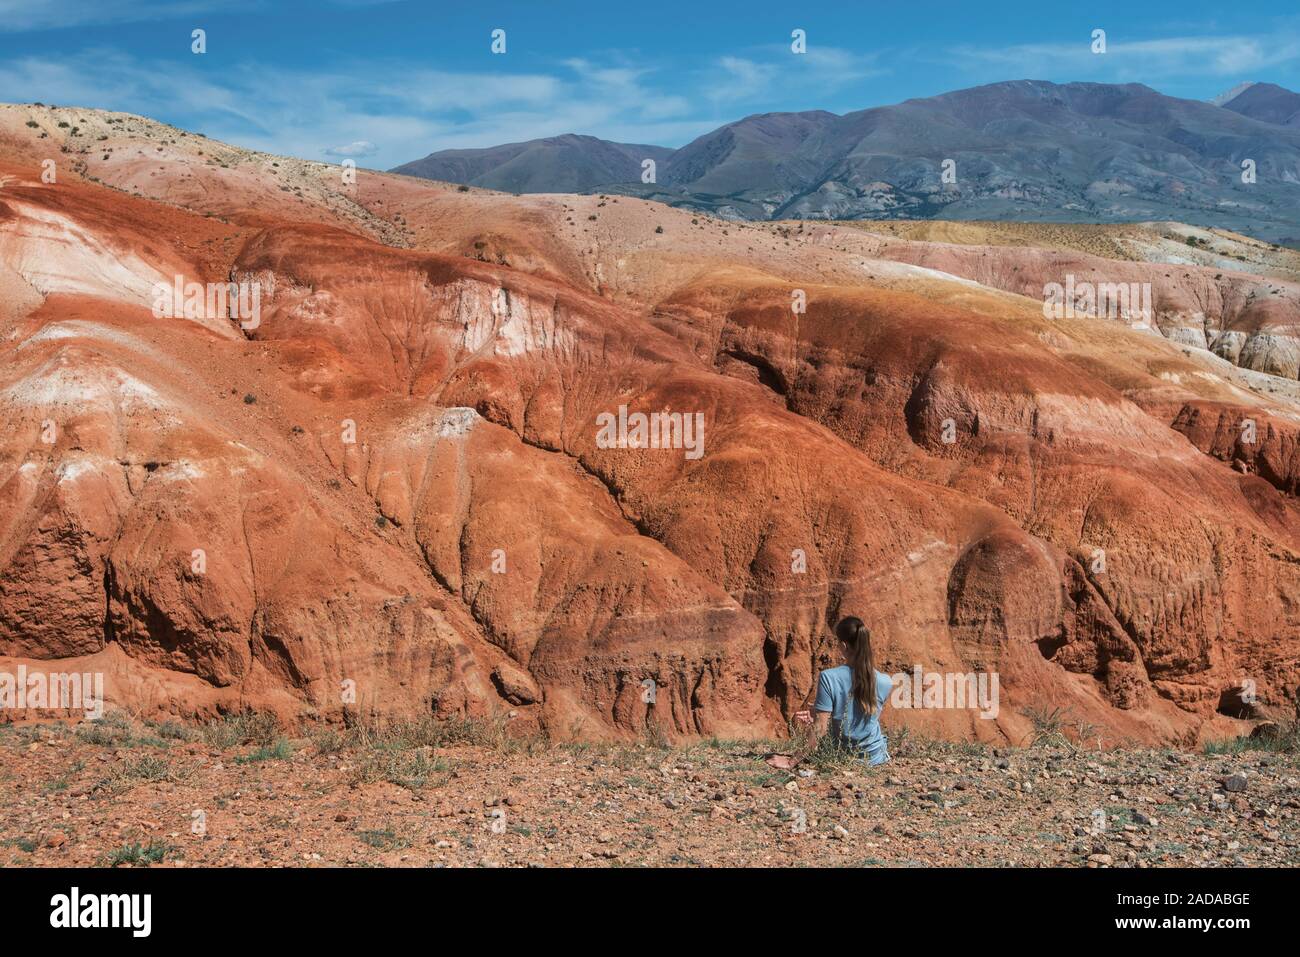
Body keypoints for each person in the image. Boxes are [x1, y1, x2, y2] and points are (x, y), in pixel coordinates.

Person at [795, 616, 893, 765]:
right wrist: (820, 712)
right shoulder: (886, 681)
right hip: (876, 758)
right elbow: (864, 719)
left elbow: (820, 729)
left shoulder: (828, 677)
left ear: (843, 645)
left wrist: (791, 761)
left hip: (843, 758)